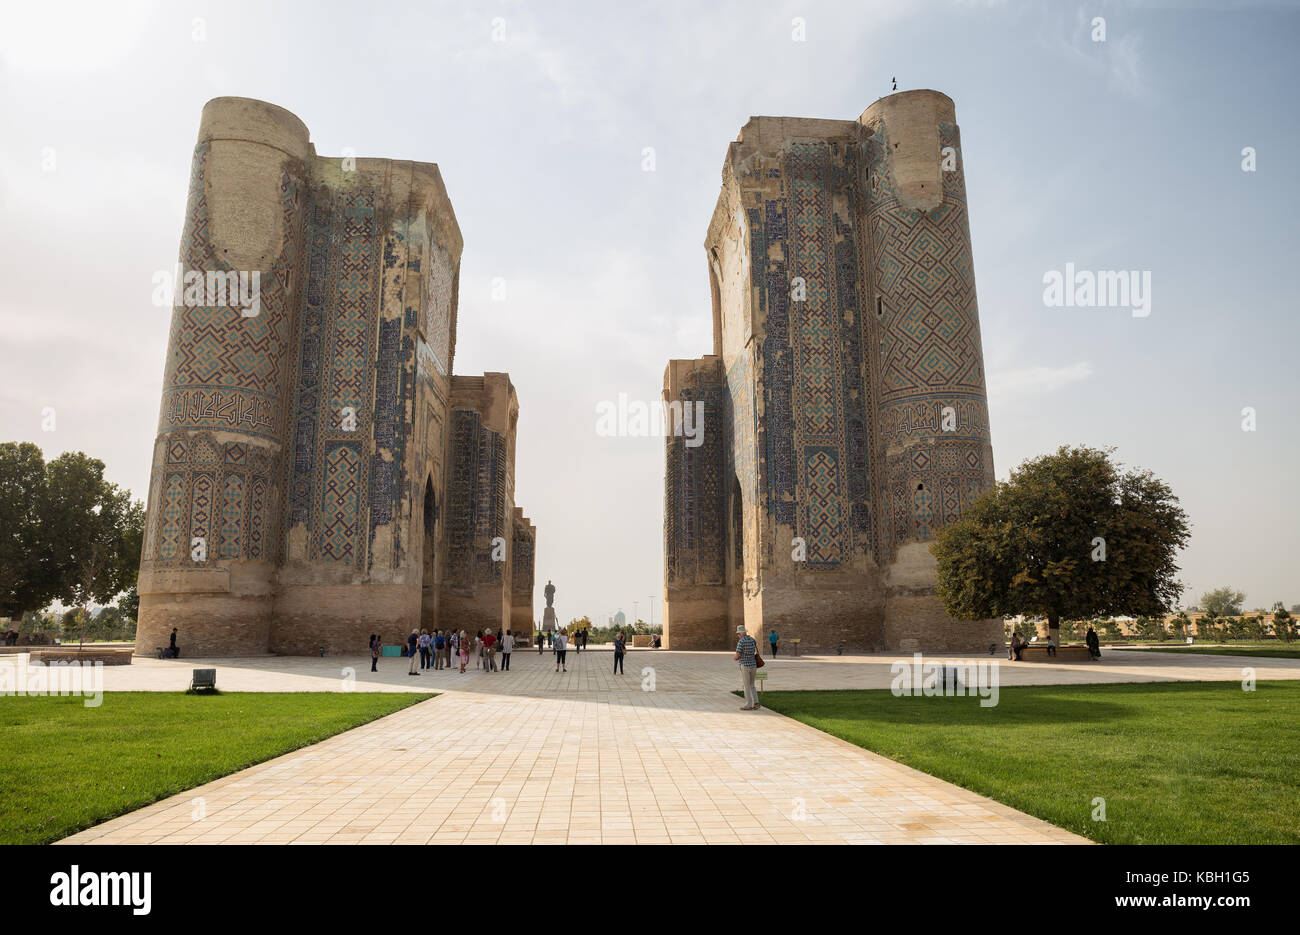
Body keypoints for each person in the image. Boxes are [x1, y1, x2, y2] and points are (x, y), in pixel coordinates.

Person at [734, 625, 760, 710]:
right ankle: (756, 703)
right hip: (753, 665)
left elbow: (737, 655)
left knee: (746, 686)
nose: (738, 635)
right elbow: (754, 651)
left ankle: (748, 704)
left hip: (745, 665)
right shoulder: (753, 640)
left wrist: (734, 658)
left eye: (738, 634)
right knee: (752, 685)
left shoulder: (741, 641)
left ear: (741, 633)